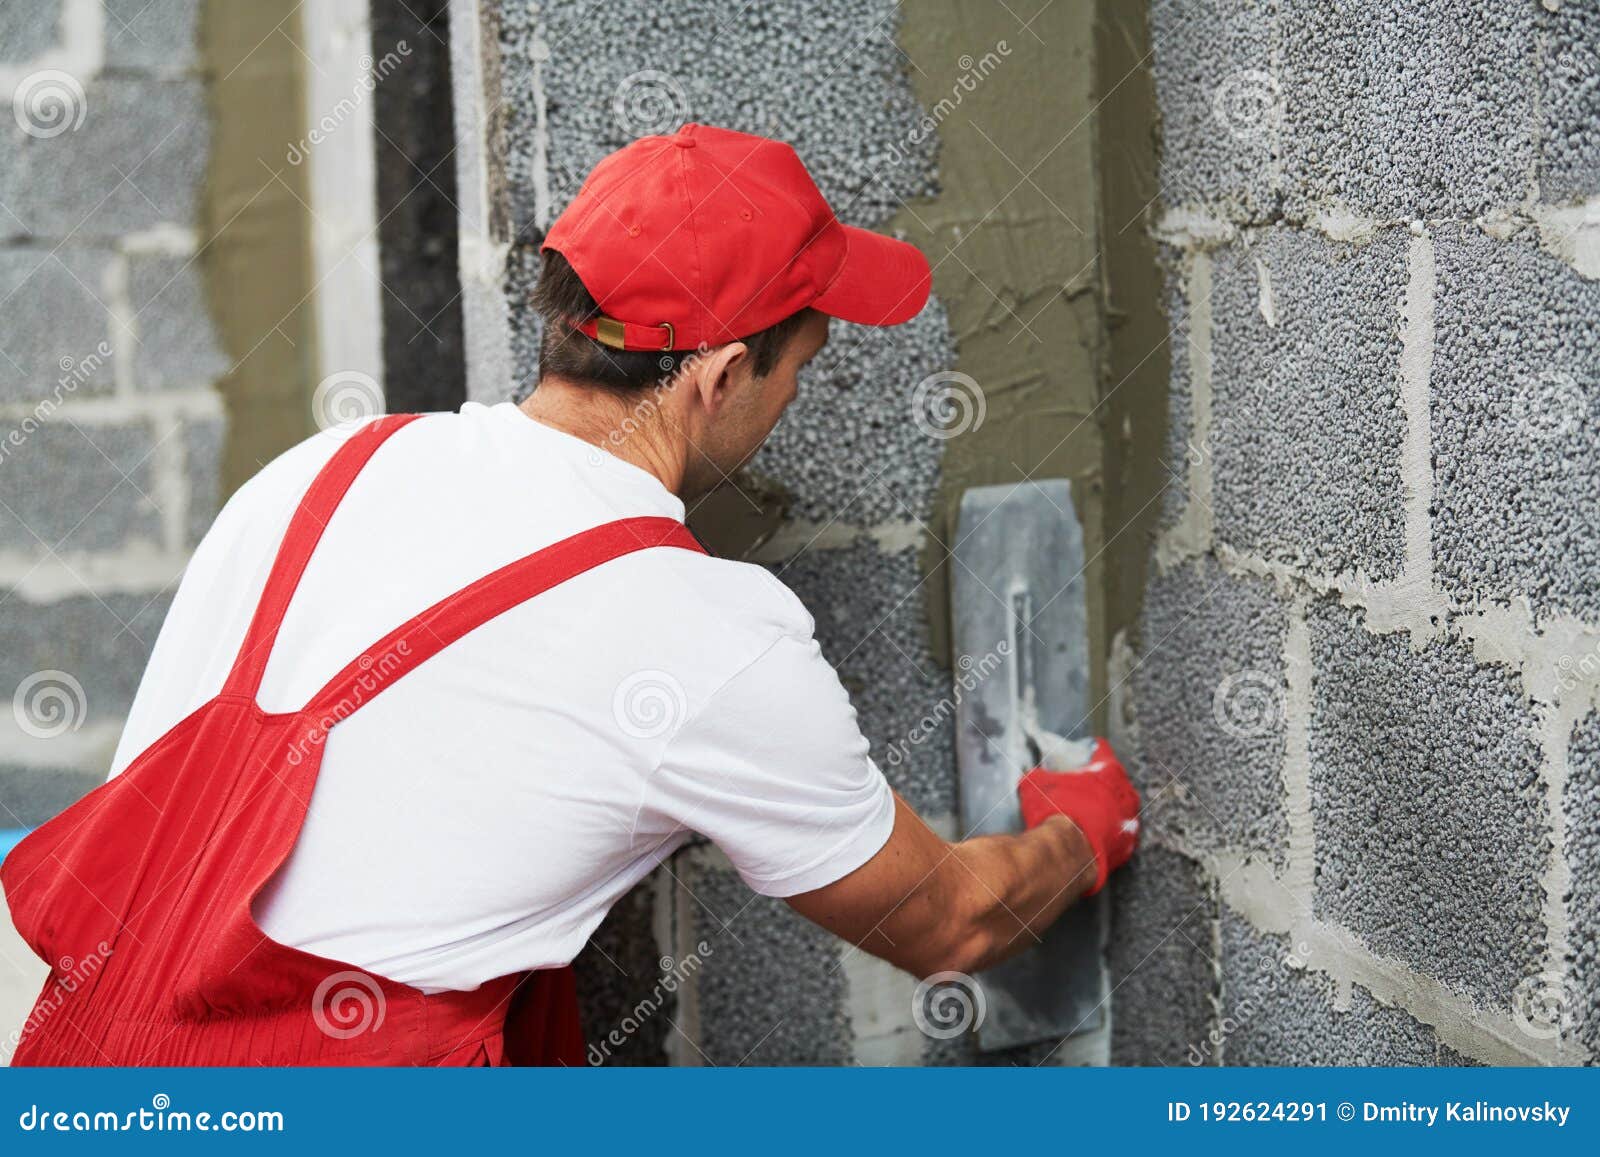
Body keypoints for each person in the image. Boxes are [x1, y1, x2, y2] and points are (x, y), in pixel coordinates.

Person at [1, 124, 1138, 1066]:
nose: (796, 392)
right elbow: (947, 917)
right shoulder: (703, 633)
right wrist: (1080, 832)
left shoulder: (323, 468)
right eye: (803, 362)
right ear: (723, 375)